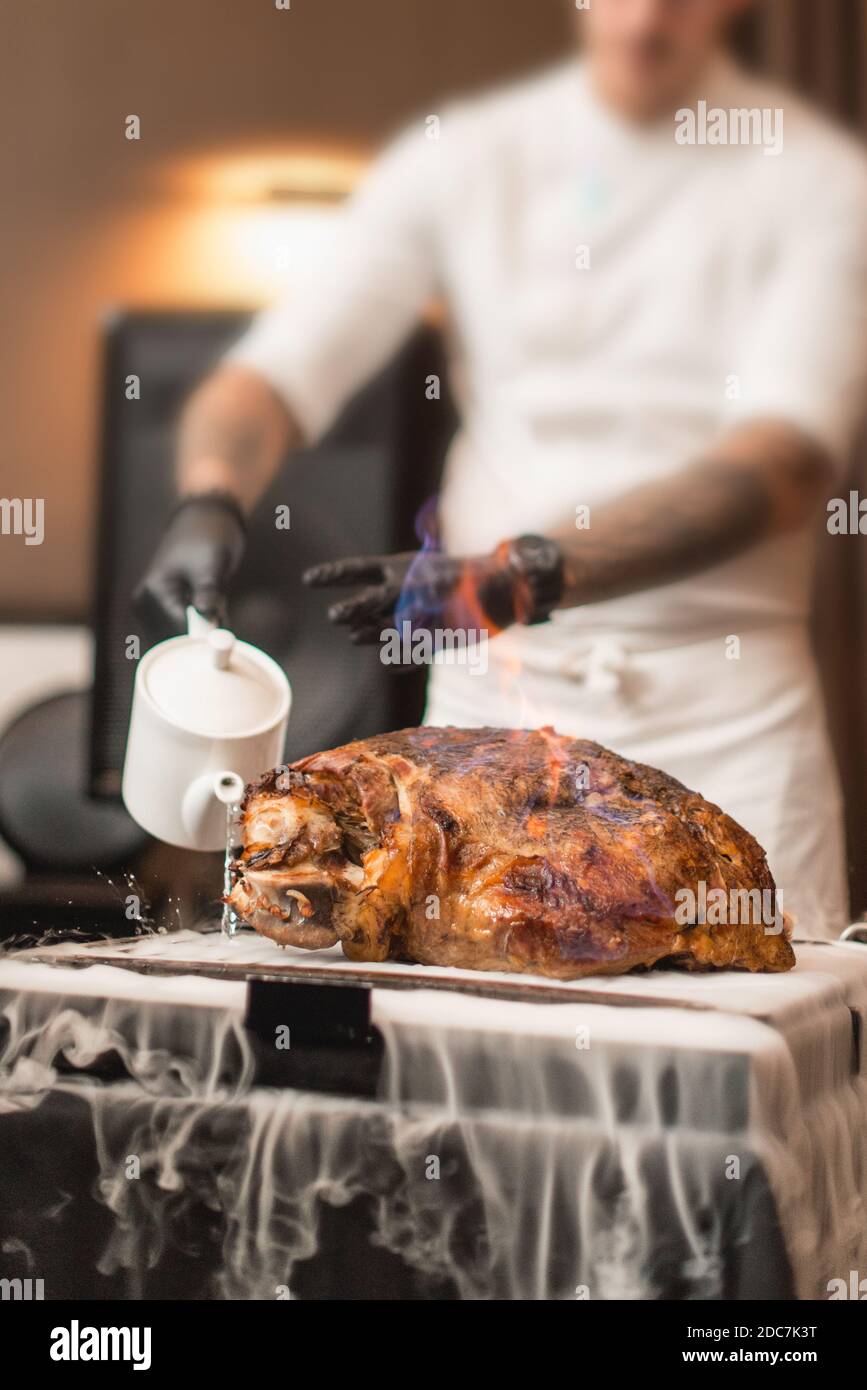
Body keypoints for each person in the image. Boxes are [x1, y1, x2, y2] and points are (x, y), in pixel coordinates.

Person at [136, 0, 867, 939]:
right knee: (473, 1045)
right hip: (494, 724)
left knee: (746, 1052)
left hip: (723, 722)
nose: (646, 21)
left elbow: (778, 467)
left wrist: (522, 573)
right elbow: (270, 376)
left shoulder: (814, 181)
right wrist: (207, 498)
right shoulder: (465, 155)